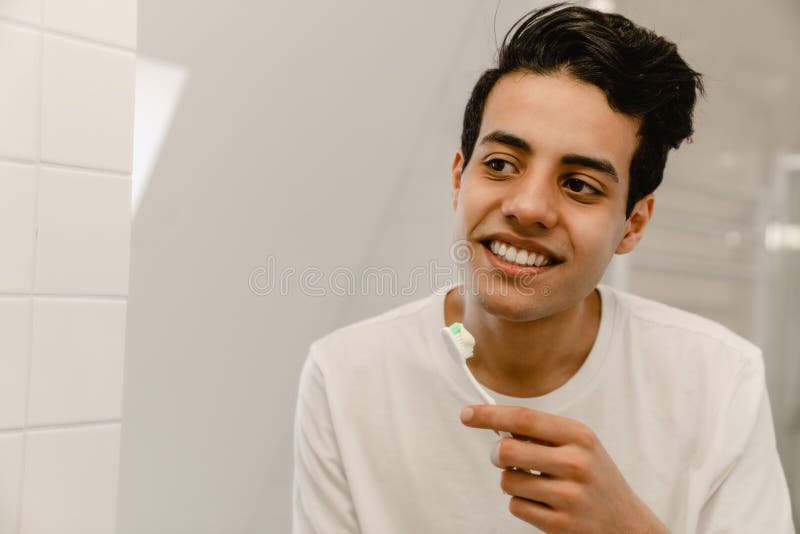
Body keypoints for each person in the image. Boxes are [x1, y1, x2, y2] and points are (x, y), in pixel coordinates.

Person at [292, 3, 796, 533]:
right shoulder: (346, 377)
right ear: (458, 178)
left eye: (580, 184)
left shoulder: (719, 381)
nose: (528, 208)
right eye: (501, 165)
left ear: (633, 224)